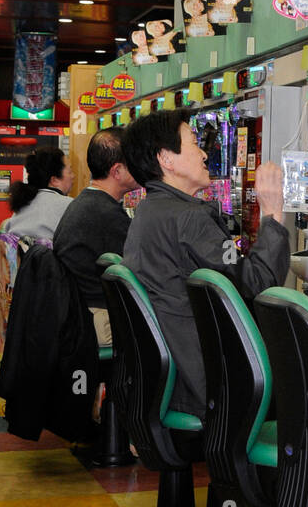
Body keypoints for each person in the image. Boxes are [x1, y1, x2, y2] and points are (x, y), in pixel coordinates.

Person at [121, 110, 290, 419]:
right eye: (194, 143)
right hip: (207, 378)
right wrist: (273, 213)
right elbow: (256, 283)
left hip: (170, 376)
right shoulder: (190, 218)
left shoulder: (148, 211)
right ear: (166, 159)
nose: (203, 153)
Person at [53, 128, 138, 349]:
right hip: (98, 319)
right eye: (135, 160)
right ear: (117, 170)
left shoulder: (87, 202)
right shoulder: (105, 213)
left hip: (80, 314)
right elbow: (142, 269)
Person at [3, 147, 74, 241]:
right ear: (54, 180)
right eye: (70, 171)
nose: (73, 176)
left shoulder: (24, 202)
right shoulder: (70, 206)